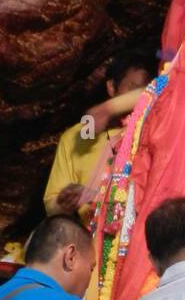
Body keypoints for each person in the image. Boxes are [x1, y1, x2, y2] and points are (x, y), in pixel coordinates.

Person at [44, 47, 153, 219]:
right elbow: (52, 207)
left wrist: (94, 196)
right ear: (111, 87)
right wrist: (66, 201)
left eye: (148, 92)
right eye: (133, 89)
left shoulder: (154, 133)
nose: (140, 100)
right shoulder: (77, 137)